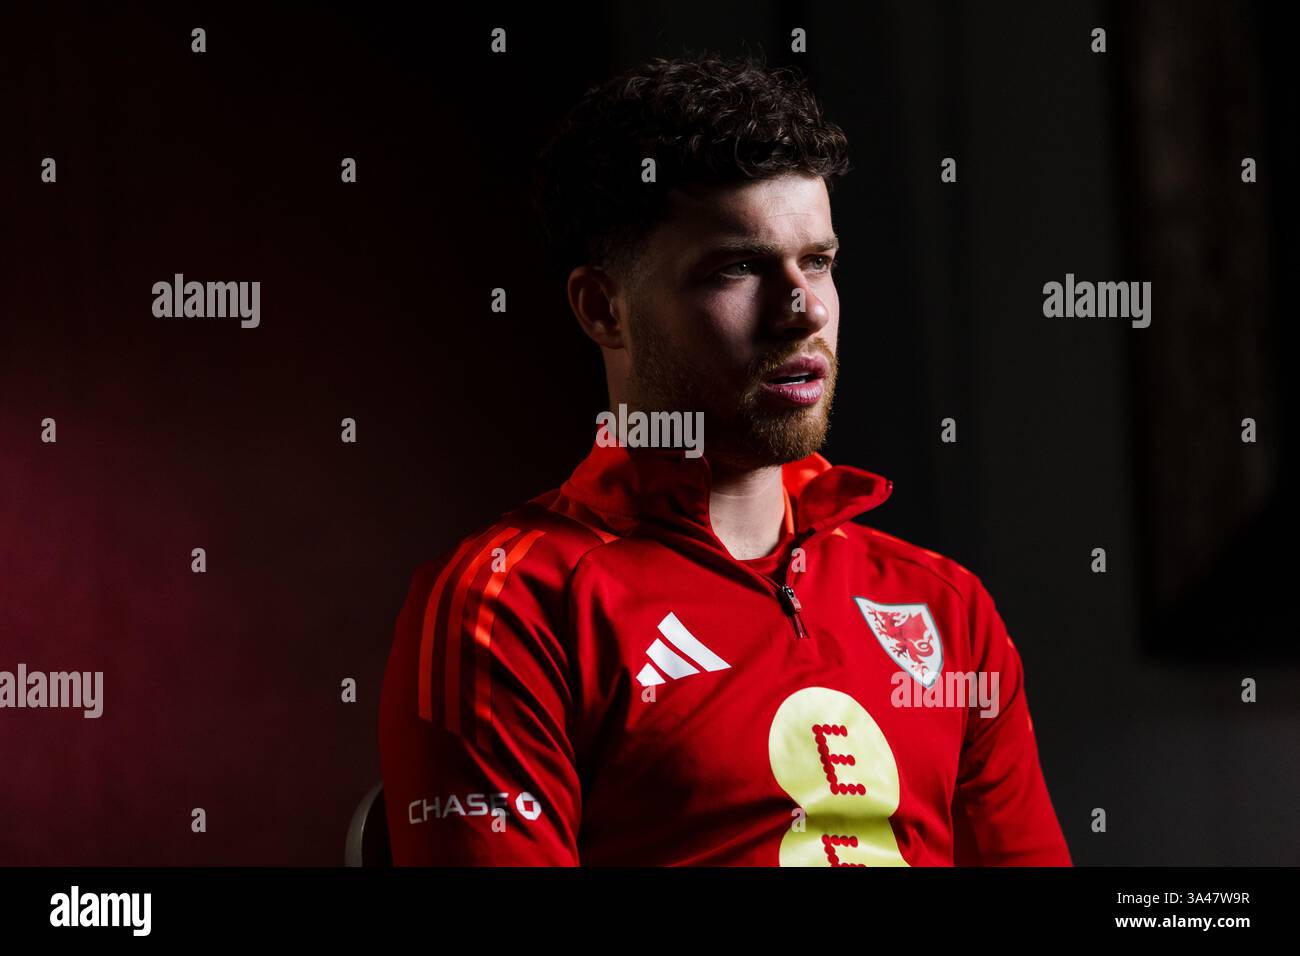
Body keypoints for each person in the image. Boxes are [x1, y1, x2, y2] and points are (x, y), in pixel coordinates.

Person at [378, 53, 1071, 866]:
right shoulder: (511, 606)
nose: (802, 308)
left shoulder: (945, 610)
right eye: (737, 267)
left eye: (817, 260)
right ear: (604, 309)